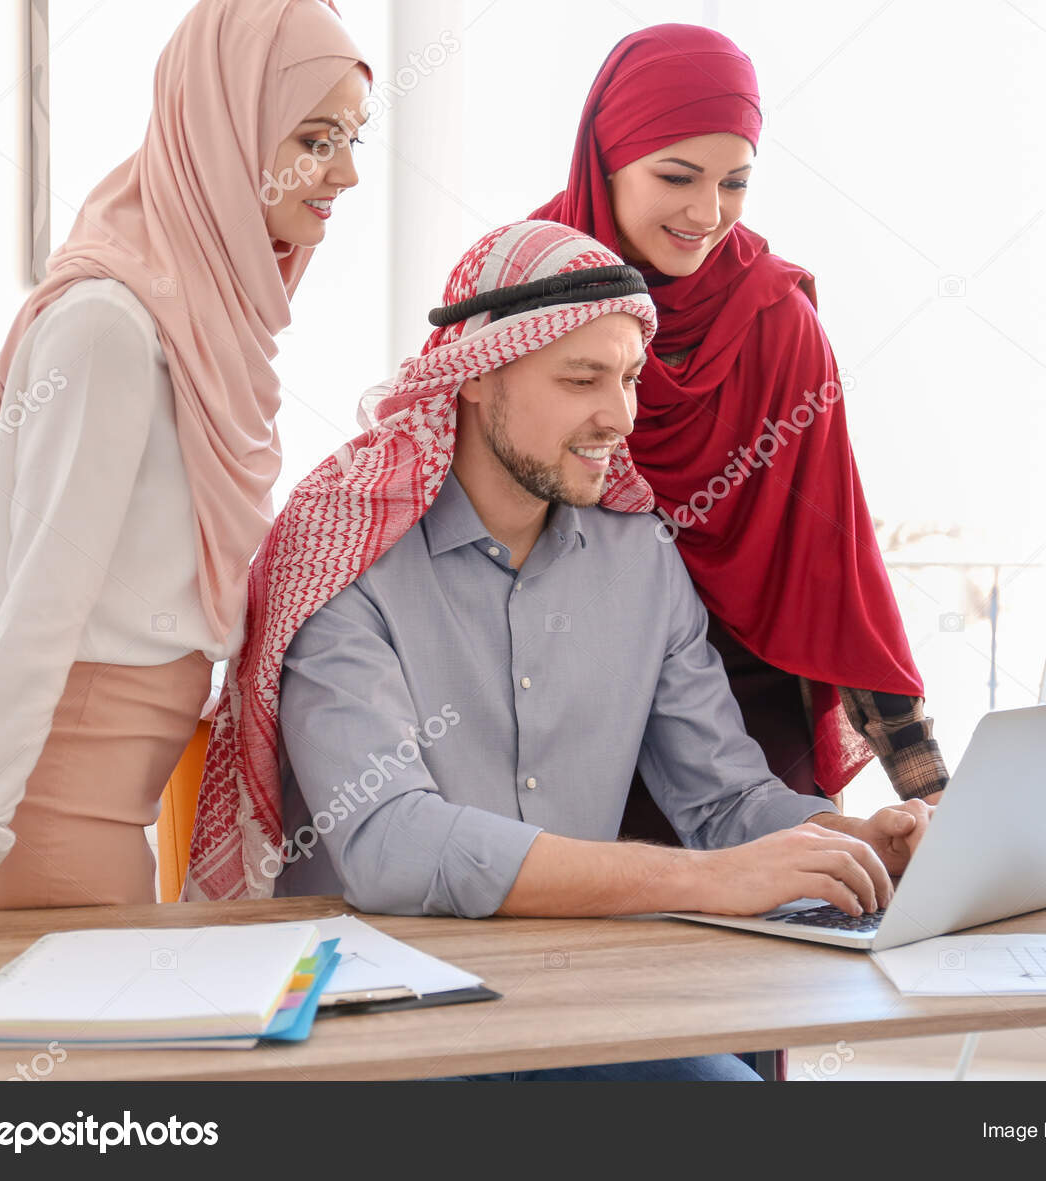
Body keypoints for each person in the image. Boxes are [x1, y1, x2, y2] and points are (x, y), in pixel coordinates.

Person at [184, 223, 936, 1079]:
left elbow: (725, 802)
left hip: (580, 1015)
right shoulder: (345, 556)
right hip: (382, 1029)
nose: (618, 416)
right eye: (581, 378)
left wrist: (852, 842)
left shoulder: (642, 561)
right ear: (473, 377)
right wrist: (706, 881)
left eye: (626, 379)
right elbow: (390, 844)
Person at [0, 0, 371, 987]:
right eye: (314, 140)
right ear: (222, 127)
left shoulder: (202, 322)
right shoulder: (111, 326)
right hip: (50, 826)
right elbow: (38, 607)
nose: (345, 174)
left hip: (104, 808)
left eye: (352, 140)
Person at [529, 25, 949, 844]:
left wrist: (933, 798)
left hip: (752, 744)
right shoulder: (521, 291)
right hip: (557, 721)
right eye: (677, 176)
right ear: (606, 157)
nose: (706, 213)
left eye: (736, 183)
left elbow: (835, 561)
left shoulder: (775, 323)